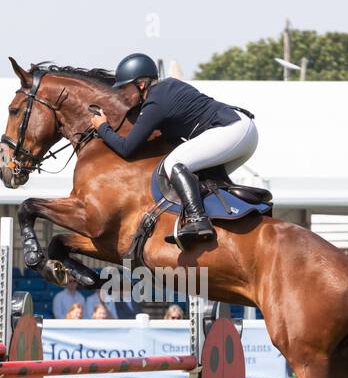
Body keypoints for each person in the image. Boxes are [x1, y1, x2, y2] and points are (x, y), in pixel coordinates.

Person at [89, 52, 257, 246]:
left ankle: (197, 220)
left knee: (174, 163)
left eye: (126, 88)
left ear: (141, 84)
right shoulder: (167, 88)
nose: (123, 95)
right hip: (242, 131)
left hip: (232, 129)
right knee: (204, 179)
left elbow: (127, 148)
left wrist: (102, 127)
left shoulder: (155, 102)